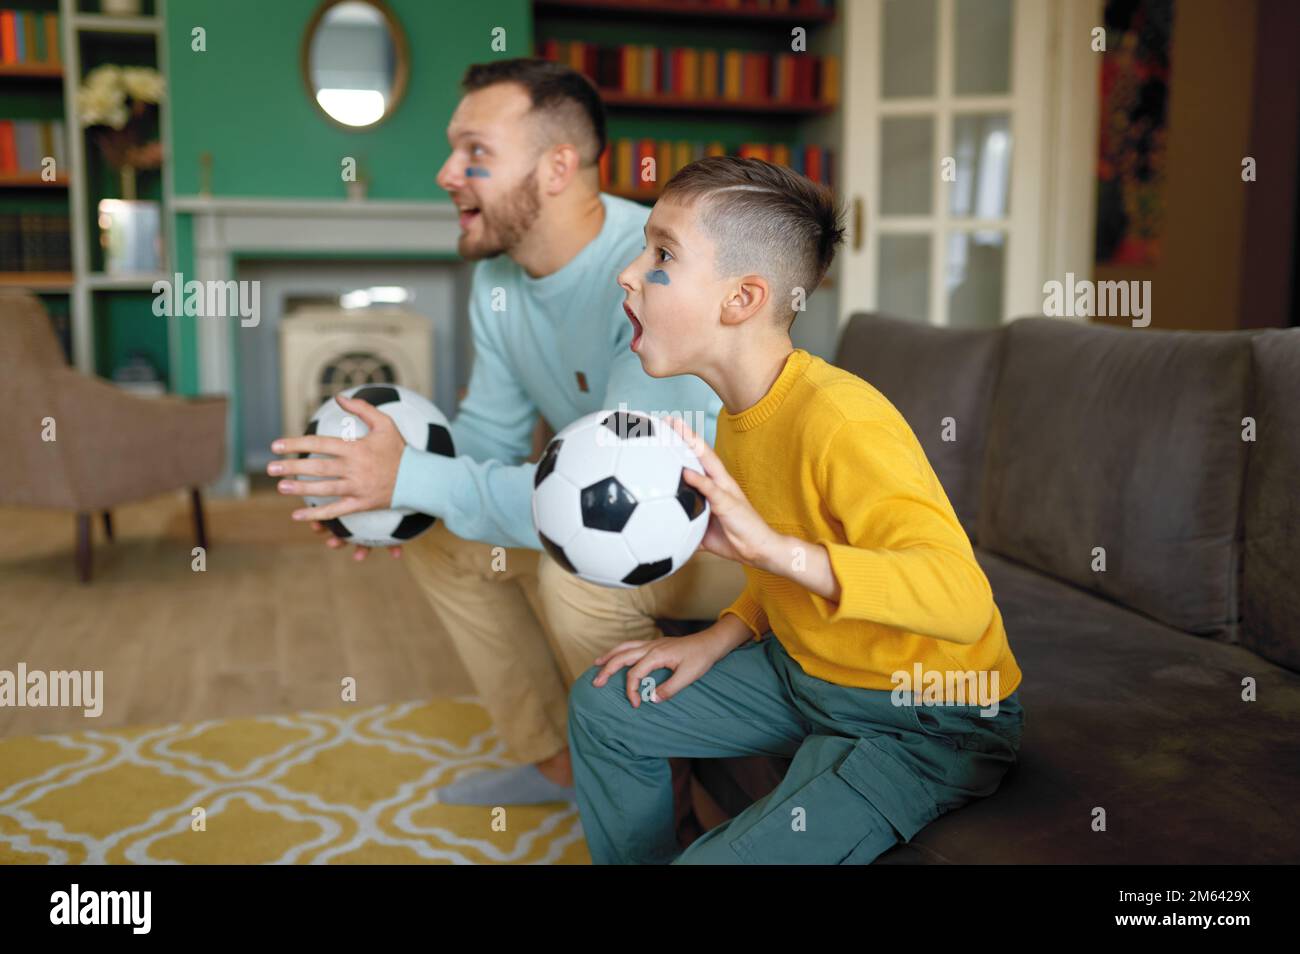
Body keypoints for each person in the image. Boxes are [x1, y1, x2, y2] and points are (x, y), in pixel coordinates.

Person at [268, 59, 744, 806]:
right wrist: (382, 504)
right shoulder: (499, 282)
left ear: (557, 168)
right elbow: (488, 437)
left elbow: (632, 496)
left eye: (475, 153)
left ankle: (652, 786)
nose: (445, 173)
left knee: (577, 570)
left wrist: (412, 478)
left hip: (727, 536)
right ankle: (558, 763)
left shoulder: (654, 270)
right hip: (631, 522)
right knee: (440, 539)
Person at [567, 156, 1025, 863]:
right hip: (806, 674)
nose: (629, 272)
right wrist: (721, 633)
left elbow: (962, 598)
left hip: (925, 721)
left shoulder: (842, 419)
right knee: (605, 706)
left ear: (742, 299)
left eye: (662, 254)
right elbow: (777, 568)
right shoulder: (741, 412)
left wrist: (773, 551)